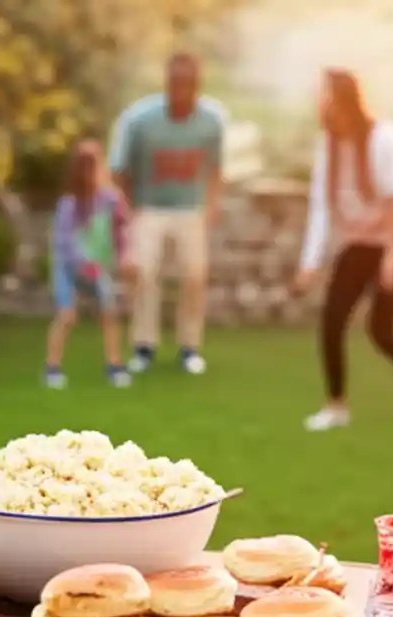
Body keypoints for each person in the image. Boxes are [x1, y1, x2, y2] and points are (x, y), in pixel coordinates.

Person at [293, 69, 393, 431]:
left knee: (380, 330)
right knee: (332, 321)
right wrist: (310, 261)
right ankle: (335, 405)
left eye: (327, 98)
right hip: (358, 243)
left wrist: (392, 257)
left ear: (346, 103)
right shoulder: (329, 143)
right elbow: (321, 204)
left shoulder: (384, 137)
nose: (321, 105)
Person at [108, 53, 226, 376]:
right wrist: (128, 210)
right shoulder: (141, 119)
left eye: (186, 84)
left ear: (196, 87)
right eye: (174, 83)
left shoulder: (211, 121)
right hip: (149, 208)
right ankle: (144, 345)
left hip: (191, 208)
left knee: (194, 276)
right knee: (143, 273)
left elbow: (215, 168)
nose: (180, 90)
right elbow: (119, 169)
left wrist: (211, 204)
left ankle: (190, 347)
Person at [44, 140, 132, 389]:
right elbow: (63, 242)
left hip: (96, 267)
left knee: (108, 312)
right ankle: (52, 367)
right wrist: (83, 263)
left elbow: (121, 228)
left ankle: (114, 365)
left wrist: (122, 256)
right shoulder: (69, 204)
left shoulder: (109, 198)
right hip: (67, 267)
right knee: (67, 316)